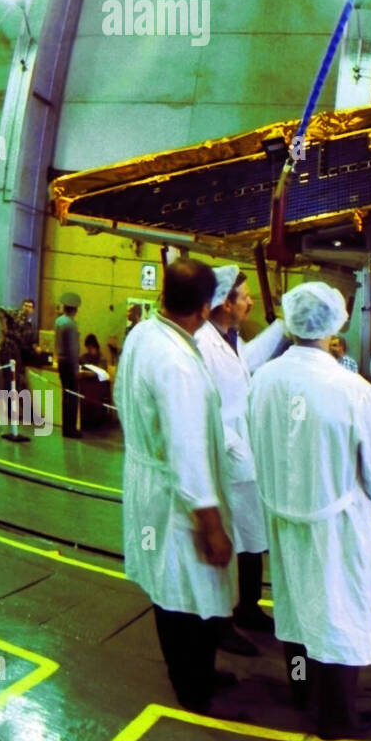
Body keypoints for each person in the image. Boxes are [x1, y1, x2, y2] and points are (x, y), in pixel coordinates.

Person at [248, 282, 371, 741]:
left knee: (294, 607)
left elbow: (255, 444)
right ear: (338, 322)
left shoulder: (262, 380)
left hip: (282, 517)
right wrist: (370, 497)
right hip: (337, 523)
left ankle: (300, 691)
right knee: (339, 614)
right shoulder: (352, 389)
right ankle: (337, 717)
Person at [114, 259, 237, 714]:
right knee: (184, 597)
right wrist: (211, 523)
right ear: (205, 309)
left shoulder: (145, 334)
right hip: (177, 495)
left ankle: (196, 673)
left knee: (175, 589)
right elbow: (187, 452)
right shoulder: (177, 363)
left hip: (152, 480)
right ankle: (192, 686)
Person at [194, 265, 286, 655]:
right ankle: (220, 622)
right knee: (228, 544)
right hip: (226, 460)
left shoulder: (229, 338)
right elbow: (204, 408)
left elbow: (248, 362)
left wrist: (284, 324)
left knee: (252, 539)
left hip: (245, 462)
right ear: (225, 304)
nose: (250, 301)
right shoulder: (203, 343)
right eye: (244, 296)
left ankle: (247, 608)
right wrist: (234, 448)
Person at [55, 293, 82, 438]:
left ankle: (66, 428)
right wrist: (76, 368)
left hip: (60, 362)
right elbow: (72, 349)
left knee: (65, 396)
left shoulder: (59, 321)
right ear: (74, 309)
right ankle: (71, 429)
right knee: (72, 397)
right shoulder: (71, 324)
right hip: (69, 364)